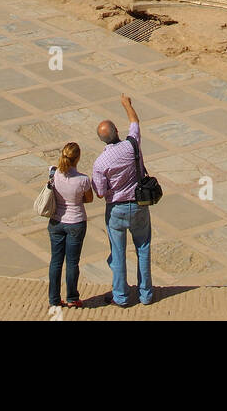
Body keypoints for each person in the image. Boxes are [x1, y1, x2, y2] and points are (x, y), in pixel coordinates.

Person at [91, 94, 152, 308]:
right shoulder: (132, 146)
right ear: (117, 132)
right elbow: (135, 123)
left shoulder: (100, 163)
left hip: (116, 209)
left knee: (118, 253)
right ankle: (145, 294)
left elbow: (100, 192)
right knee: (143, 248)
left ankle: (121, 296)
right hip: (139, 205)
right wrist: (127, 104)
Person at [47, 142, 93, 313]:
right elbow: (89, 199)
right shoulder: (83, 180)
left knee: (56, 261)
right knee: (72, 262)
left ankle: (54, 299)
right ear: (78, 158)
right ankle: (72, 298)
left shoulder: (53, 173)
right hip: (76, 222)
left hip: (56, 222)